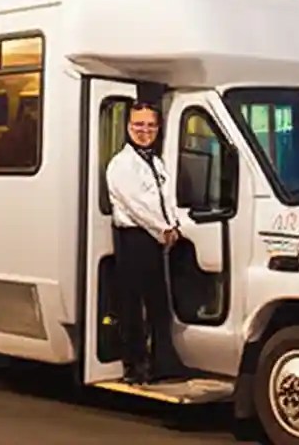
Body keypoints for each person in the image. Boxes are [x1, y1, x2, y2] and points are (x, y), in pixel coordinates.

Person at [105, 100, 185, 385]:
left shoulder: (156, 162)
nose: (144, 130)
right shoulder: (121, 164)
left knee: (158, 304)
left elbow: (166, 199)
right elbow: (138, 205)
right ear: (128, 127)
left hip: (154, 238)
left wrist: (173, 223)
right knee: (133, 305)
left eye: (150, 125)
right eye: (138, 125)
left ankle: (160, 362)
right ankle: (135, 365)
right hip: (135, 237)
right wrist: (164, 229)